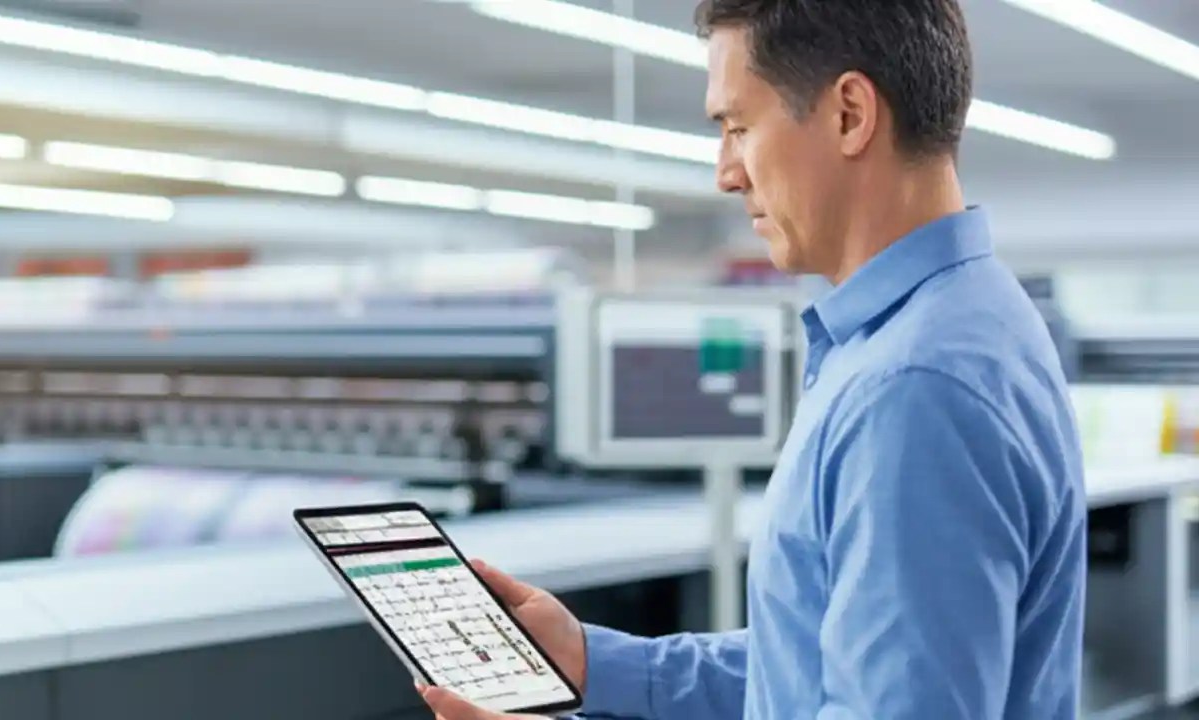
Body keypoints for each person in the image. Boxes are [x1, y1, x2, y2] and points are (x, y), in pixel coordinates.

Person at [420, 0, 1087, 717]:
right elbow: (814, 669)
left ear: (849, 115)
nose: (726, 173)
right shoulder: (958, 319)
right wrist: (595, 661)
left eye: (737, 127)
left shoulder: (913, 389)